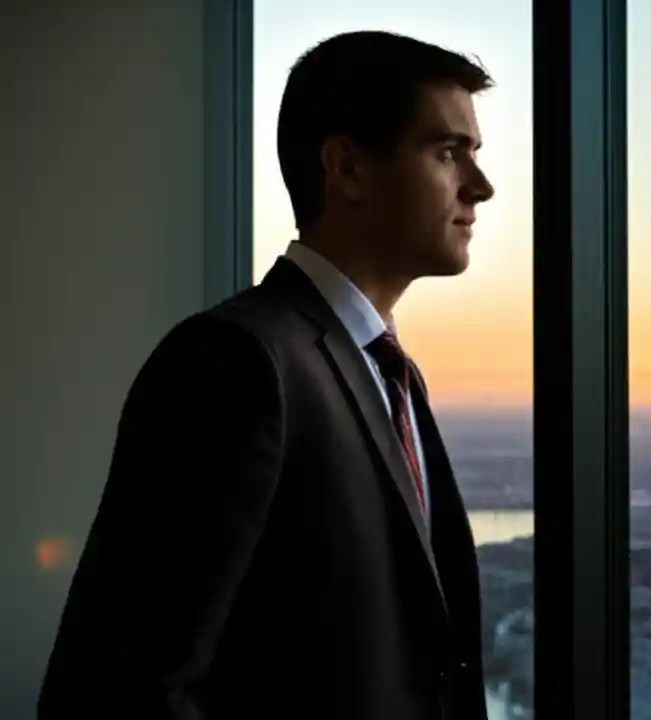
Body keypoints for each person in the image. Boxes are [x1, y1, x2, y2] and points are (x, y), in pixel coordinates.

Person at [39, 31, 496, 719]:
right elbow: (118, 689)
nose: (481, 187)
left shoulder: (388, 375)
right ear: (347, 168)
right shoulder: (237, 363)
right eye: (447, 151)